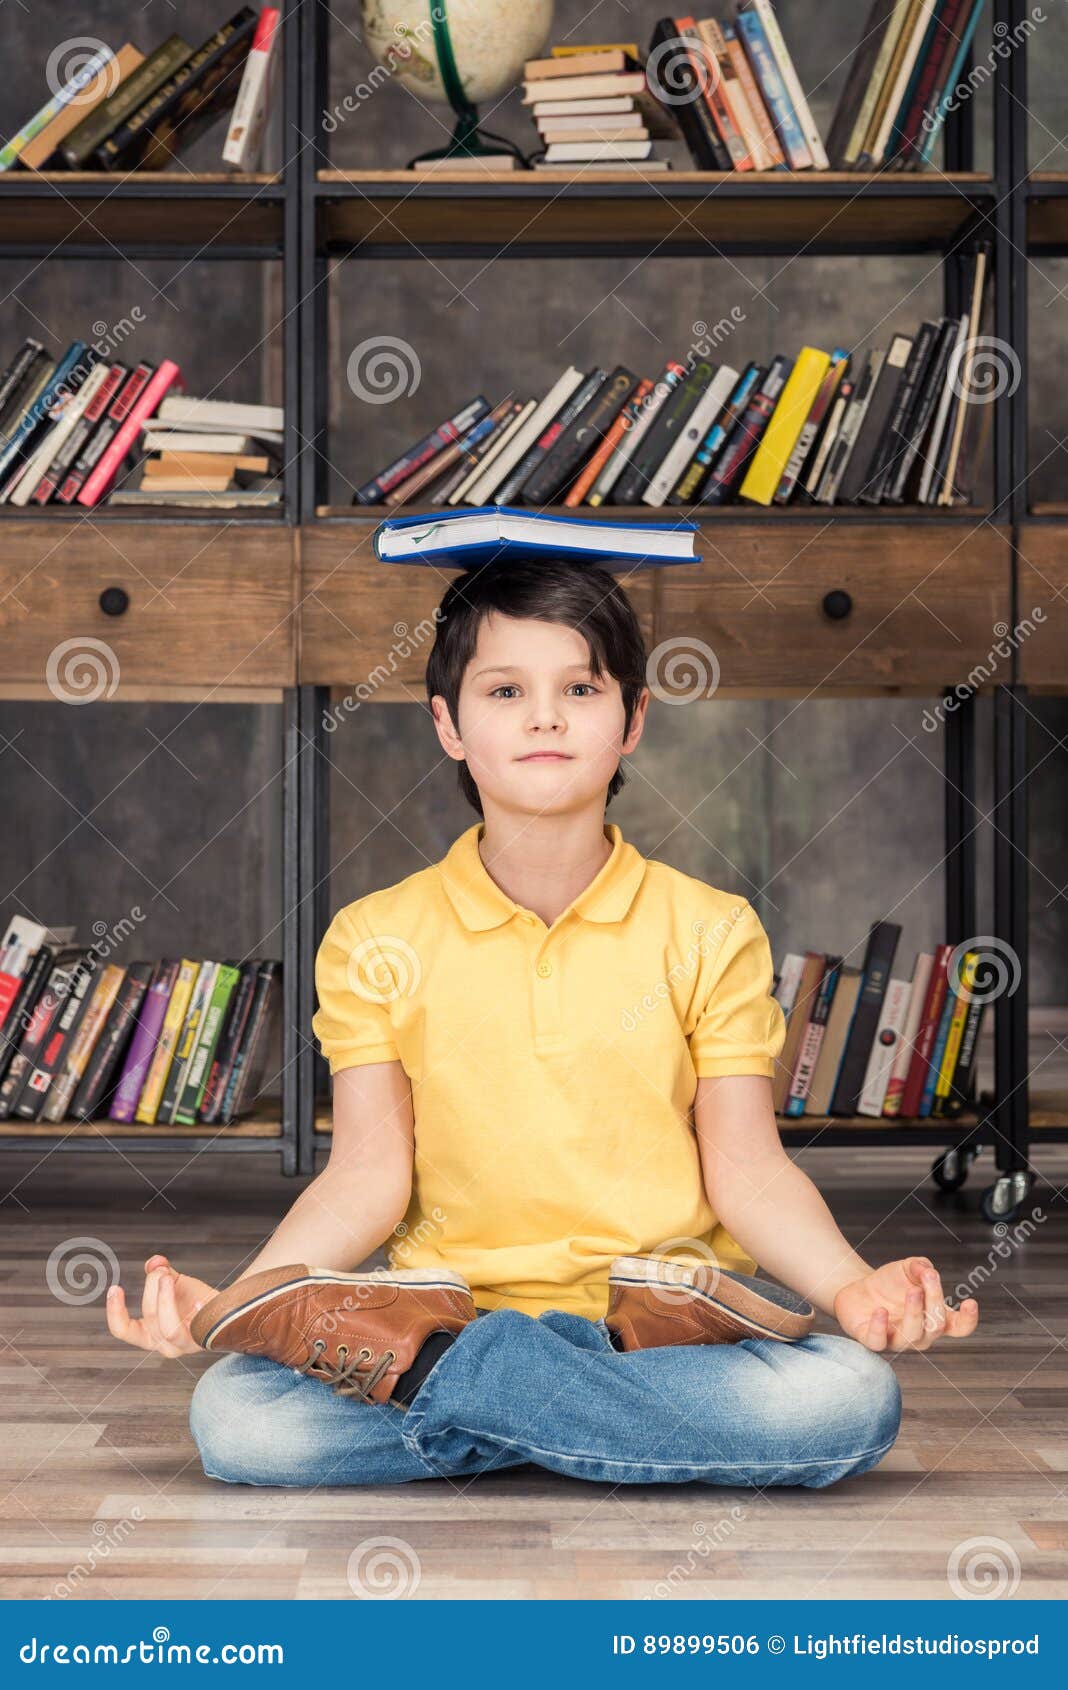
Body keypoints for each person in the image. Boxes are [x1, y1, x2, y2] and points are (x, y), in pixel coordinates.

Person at [106, 558, 978, 1490]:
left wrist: (851, 1287)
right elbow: (365, 1174)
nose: (545, 716)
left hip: (658, 1333)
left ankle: (478, 1412)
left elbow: (749, 1168)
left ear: (633, 717)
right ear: (448, 724)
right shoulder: (374, 937)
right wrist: (245, 1304)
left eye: (581, 687)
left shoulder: (712, 928)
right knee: (239, 1420)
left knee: (847, 1398)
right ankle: (589, 1427)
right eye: (506, 689)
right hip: (443, 1321)